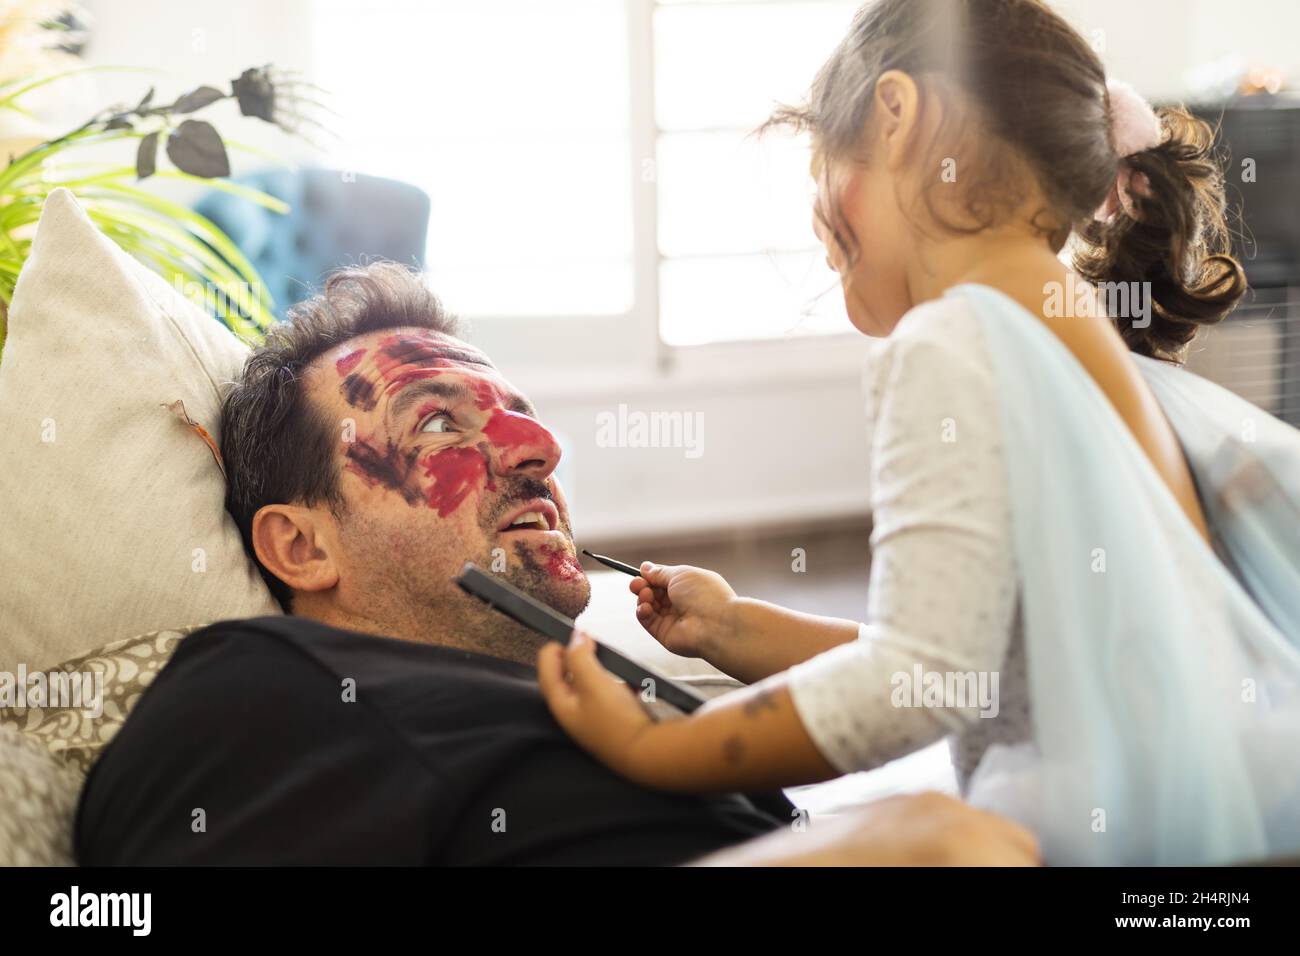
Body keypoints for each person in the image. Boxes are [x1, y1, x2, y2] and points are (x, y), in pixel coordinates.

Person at [536, 0, 1300, 866]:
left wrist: (657, 750)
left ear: (899, 118)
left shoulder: (952, 342)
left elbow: (918, 684)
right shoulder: (1078, 337)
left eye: (824, 172)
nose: (822, 242)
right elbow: (976, 661)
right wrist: (733, 625)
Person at [74, 262, 1038, 867]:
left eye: (518, 412)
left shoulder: (616, 692)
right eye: (442, 421)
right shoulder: (250, 691)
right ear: (301, 545)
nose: (538, 445)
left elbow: (956, 682)